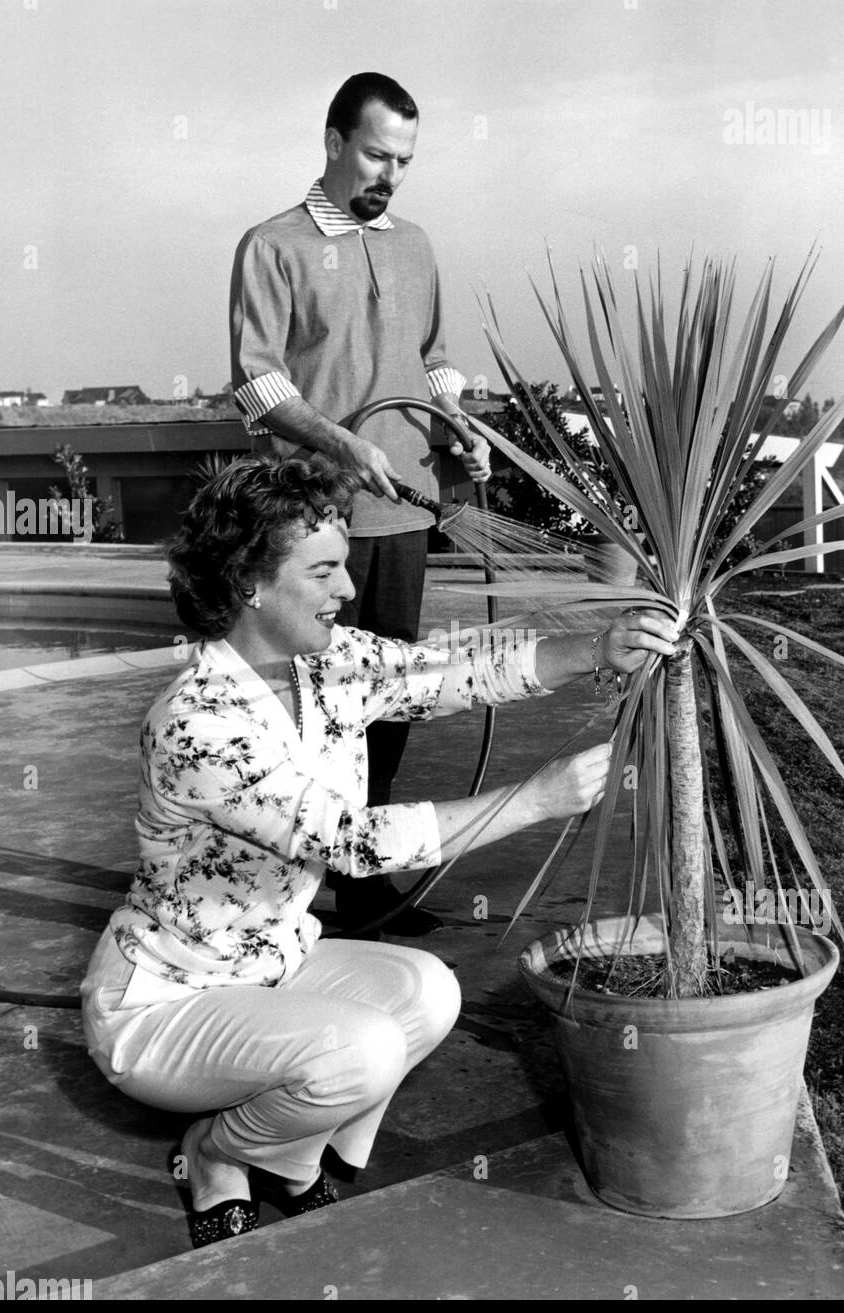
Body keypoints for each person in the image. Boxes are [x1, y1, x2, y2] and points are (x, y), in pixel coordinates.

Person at [79, 456, 678, 1249]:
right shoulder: (198, 723)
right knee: (359, 1052)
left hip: (276, 965)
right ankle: (216, 1154)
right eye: (324, 571)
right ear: (249, 583)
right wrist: (534, 799)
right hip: (166, 1004)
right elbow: (354, 844)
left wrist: (599, 648)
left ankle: (288, 1157)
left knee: (428, 993)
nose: (349, 590)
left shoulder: (324, 664)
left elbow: (444, 672)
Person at [229, 71, 490, 938]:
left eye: (405, 160)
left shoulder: (415, 244)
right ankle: (283, 884)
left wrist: (462, 430)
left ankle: (365, 884)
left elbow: (436, 360)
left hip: (404, 516)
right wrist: (343, 443)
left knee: (389, 700)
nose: (390, 174)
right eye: (377, 153)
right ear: (335, 140)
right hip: (314, 523)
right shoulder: (273, 246)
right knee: (306, 707)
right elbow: (258, 386)